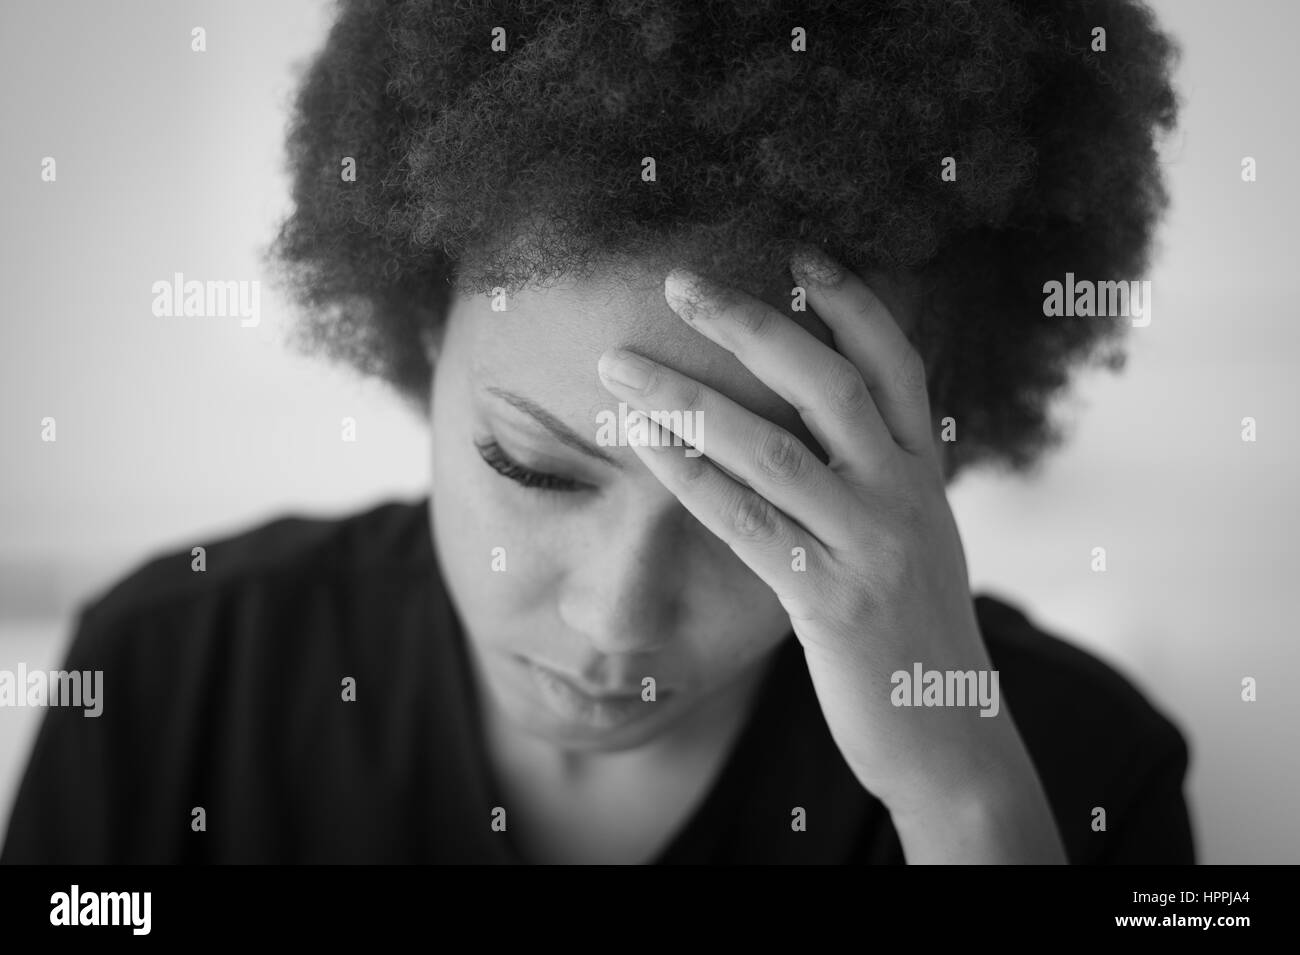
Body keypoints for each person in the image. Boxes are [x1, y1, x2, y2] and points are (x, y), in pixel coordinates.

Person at [1, 0, 1193, 864]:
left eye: (761, 511)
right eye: (534, 469)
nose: (615, 620)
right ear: (420, 337)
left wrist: (964, 801)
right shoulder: (171, 675)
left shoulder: (1075, 766)